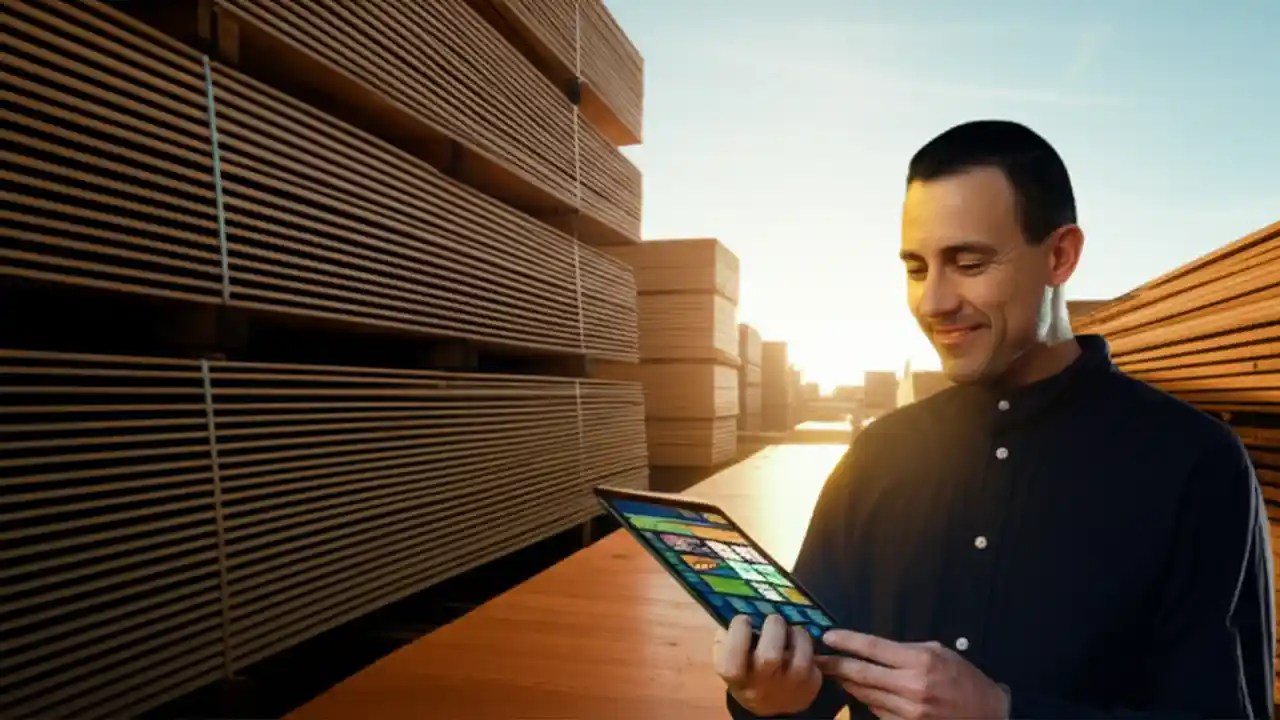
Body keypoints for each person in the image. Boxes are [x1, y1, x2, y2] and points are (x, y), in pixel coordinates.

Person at [713, 119, 1275, 719]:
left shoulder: (1195, 462)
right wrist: (771, 697)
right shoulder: (877, 453)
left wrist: (1002, 712)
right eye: (917, 267)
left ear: (1060, 255)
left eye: (970, 262)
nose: (934, 302)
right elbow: (815, 676)